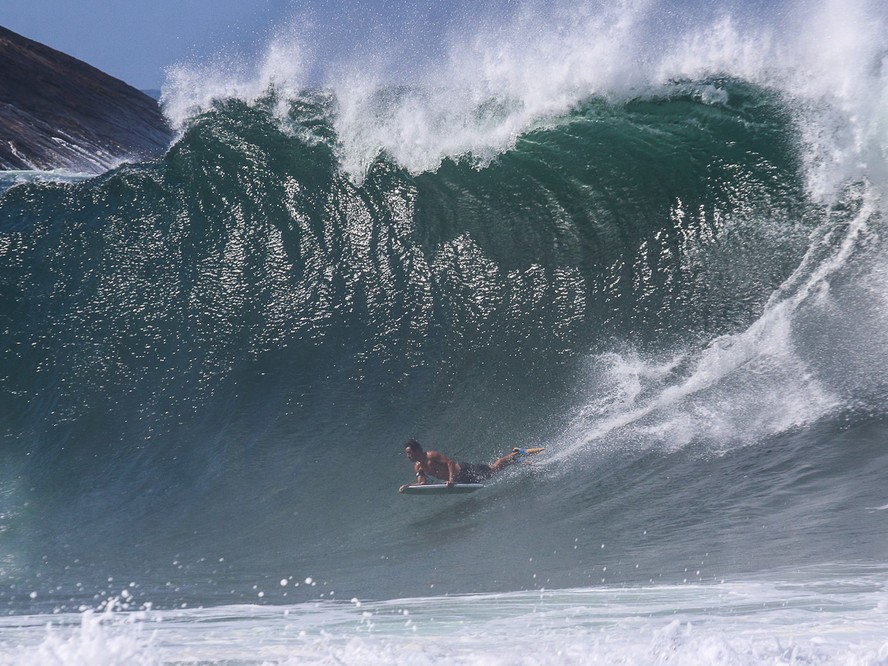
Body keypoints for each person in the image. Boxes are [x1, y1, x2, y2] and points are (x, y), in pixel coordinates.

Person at [398, 439, 526, 492]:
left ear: (417, 451)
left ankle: (515, 453)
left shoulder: (431, 455)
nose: (408, 456)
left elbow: (450, 463)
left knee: (492, 469)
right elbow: (422, 484)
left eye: (409, 453)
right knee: (492, 474)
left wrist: (451, 480)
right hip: (461, 480)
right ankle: (514, 461)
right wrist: (408, 487)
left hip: (464, 470)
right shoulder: (418, 466)